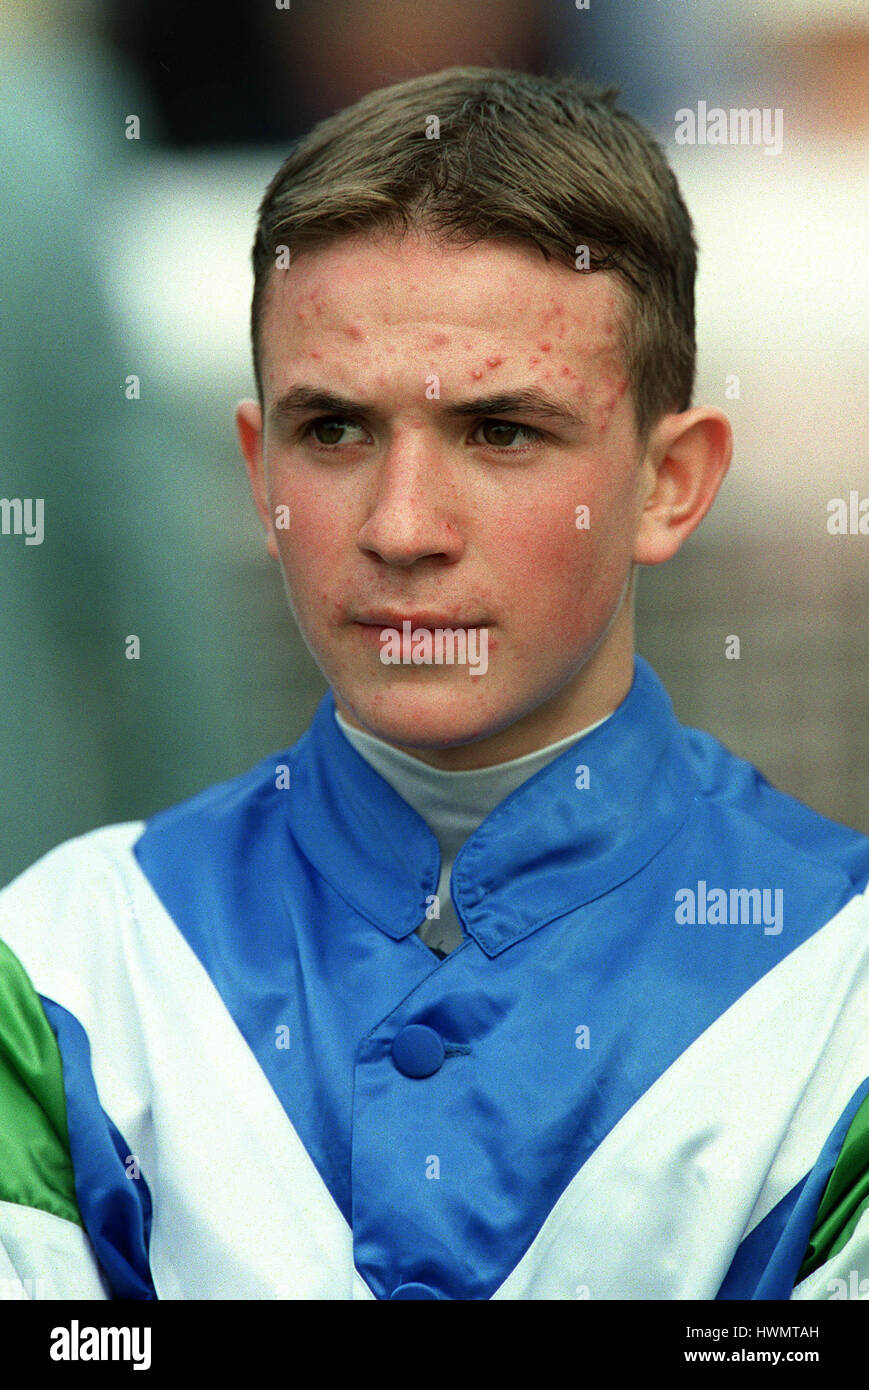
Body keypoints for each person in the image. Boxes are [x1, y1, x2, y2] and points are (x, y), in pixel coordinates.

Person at [1, 66, 867, 1302]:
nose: (402, 527)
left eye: (502, 431)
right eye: (334, 431)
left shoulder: (840, 997)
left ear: (669, 482)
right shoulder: (56, 975)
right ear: (259, 471)